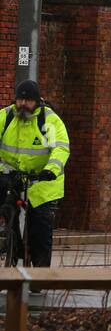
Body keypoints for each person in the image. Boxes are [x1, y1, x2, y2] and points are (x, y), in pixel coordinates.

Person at [0, 80, 70, 268]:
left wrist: (50, 171)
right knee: (4, 205)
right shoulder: (5, 117)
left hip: (41, 181)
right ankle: (9, 242)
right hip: (10, 176)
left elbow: (60, 148)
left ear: (37, 101)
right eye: (20, 100)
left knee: (40, 224)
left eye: (28, 100)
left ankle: (40, 272)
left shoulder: (49, 121)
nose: (23, 104)